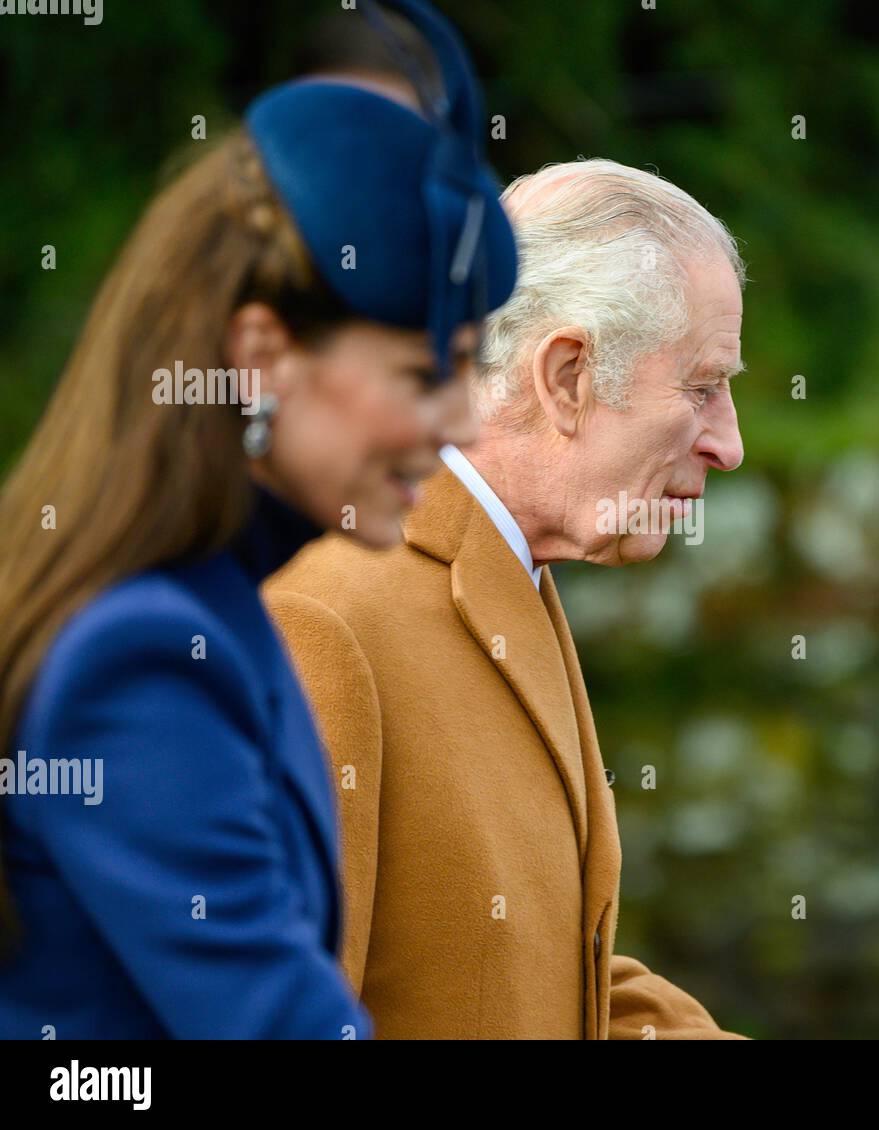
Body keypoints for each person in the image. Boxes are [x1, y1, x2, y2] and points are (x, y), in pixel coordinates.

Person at [0, 0, 516, 1038]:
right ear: (262, 353)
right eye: (422, 374)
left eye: (468, 370)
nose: (460, 421)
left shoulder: (205, 602)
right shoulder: (144, 654)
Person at [265, 158, 750, 1039]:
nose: (729, 444)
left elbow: (560, 979)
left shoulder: (511, 566)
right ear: (566, 375)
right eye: (703, 387)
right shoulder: (327, 616)